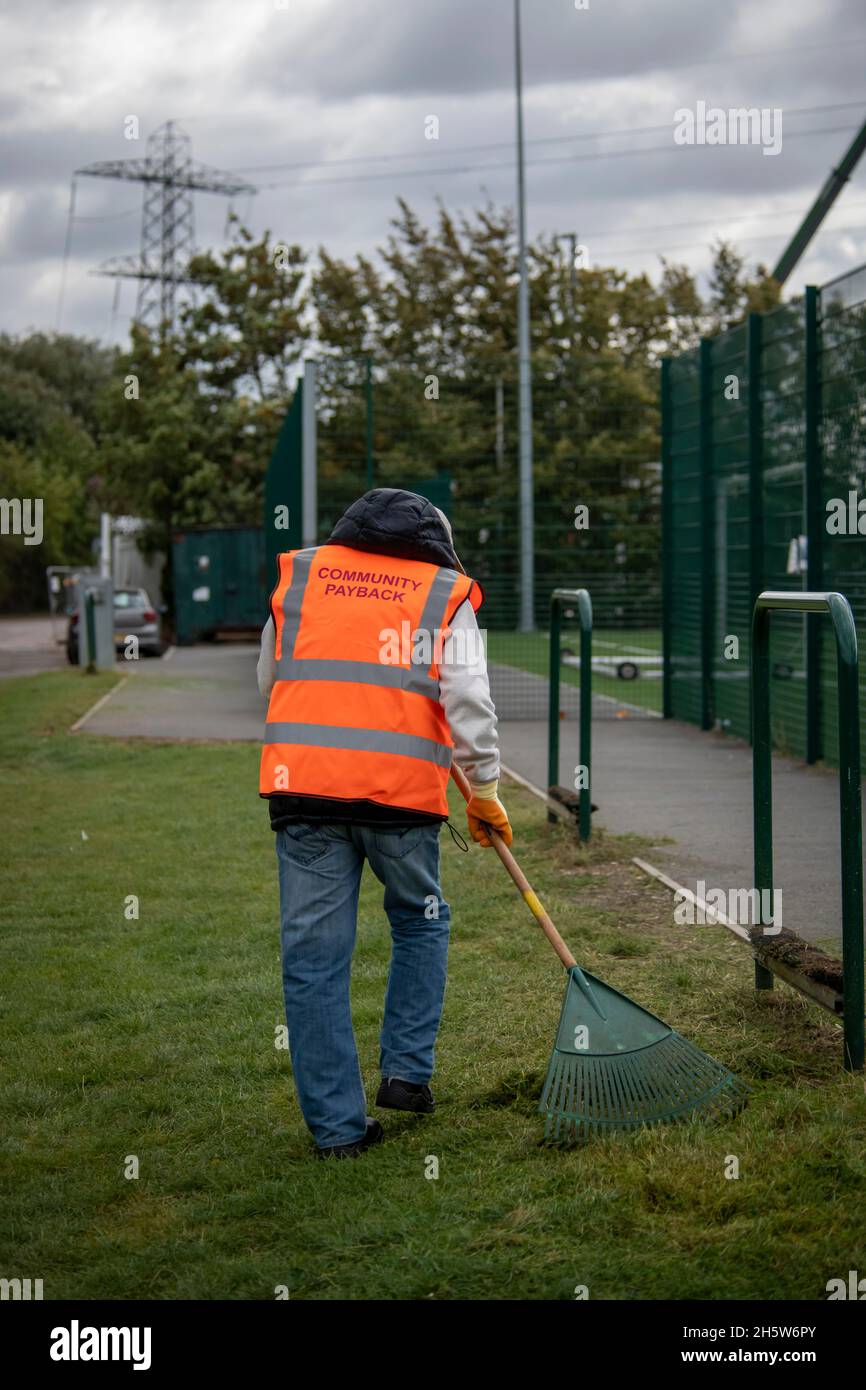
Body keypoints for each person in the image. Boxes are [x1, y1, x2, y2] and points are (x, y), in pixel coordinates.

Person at [257, 488, 511, 1158]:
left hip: (305, 793)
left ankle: (338, 1134)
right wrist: (483, 790)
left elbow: (270, 680)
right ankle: (405, 1074)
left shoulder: (303, 578)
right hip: (399, 797)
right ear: (432, 542)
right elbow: (468, 701)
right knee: (421, 921)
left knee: (313, 960)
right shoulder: (442, 592)